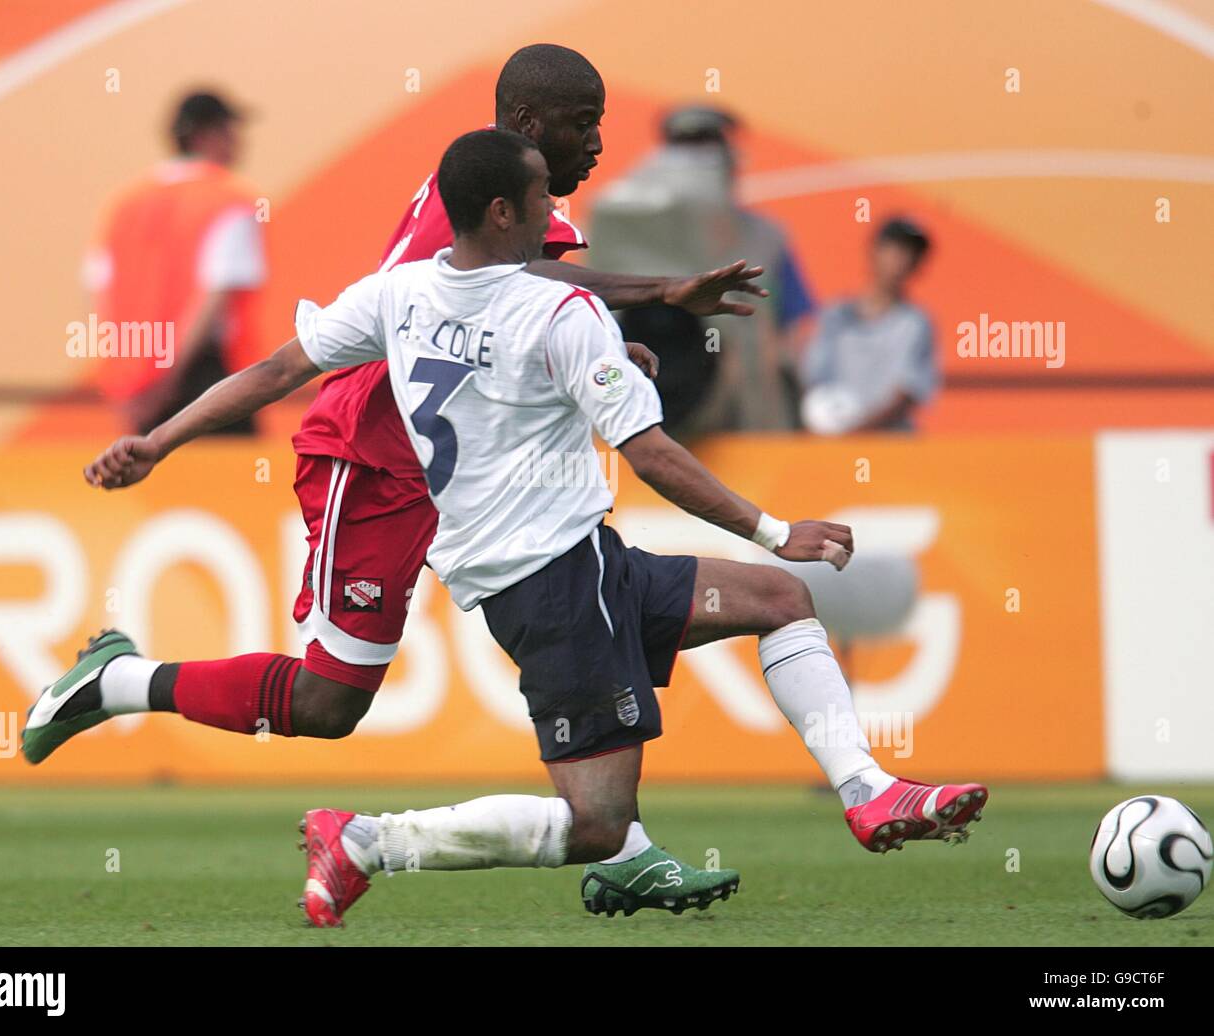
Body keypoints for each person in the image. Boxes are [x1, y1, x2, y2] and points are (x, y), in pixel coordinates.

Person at [70, 129, 988, 928]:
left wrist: (156, 439)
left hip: (577, 567)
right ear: (506, 211)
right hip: (556, 589)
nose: (562, 209)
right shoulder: (557, 310)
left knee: (779, 603)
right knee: (596, 822)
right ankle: (366, 842)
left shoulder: (398, 296)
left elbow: (273, 371)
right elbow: (651, 452)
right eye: (547, 194)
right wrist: (771, 523)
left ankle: (868, 795)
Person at [26, 45, 767, 919]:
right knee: (328, 699)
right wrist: (663, 292)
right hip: (370, 458)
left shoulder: (510, 196)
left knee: (574, 621)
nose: (599, 143)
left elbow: (525, 307)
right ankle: (113, 683)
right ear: (527, 132)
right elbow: (506, 289)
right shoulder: (489, 200)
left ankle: (622, 843)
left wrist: (604, 342)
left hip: (450, 473)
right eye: (583, 124)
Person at [587, 105, 815, 438]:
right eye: (685, 148)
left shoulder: (764, 237)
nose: (694, 165)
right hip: (635, 415)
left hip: (745, 420)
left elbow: (794, 332)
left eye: (706, 148)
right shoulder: (613, 229)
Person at [84, 90, 266, 435]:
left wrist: (120, 380)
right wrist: (169, 379)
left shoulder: (125, 203)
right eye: (230, 131)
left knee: (153, 483)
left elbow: (97, 295)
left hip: (138, 381)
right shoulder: (229, 199)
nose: (238, 142)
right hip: (204, 375)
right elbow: (215, 296)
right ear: (207, 135)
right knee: (227, 484)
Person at [801, 218, 937, 434]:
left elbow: (907, 394)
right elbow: (813, 380)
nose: (902, 260)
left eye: (911, 254)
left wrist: (857, 432)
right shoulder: (835, 315)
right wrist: (825, 425)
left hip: (890, 447)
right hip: (832, 445)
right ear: (875, 251)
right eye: (896, 249)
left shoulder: (916, 323)